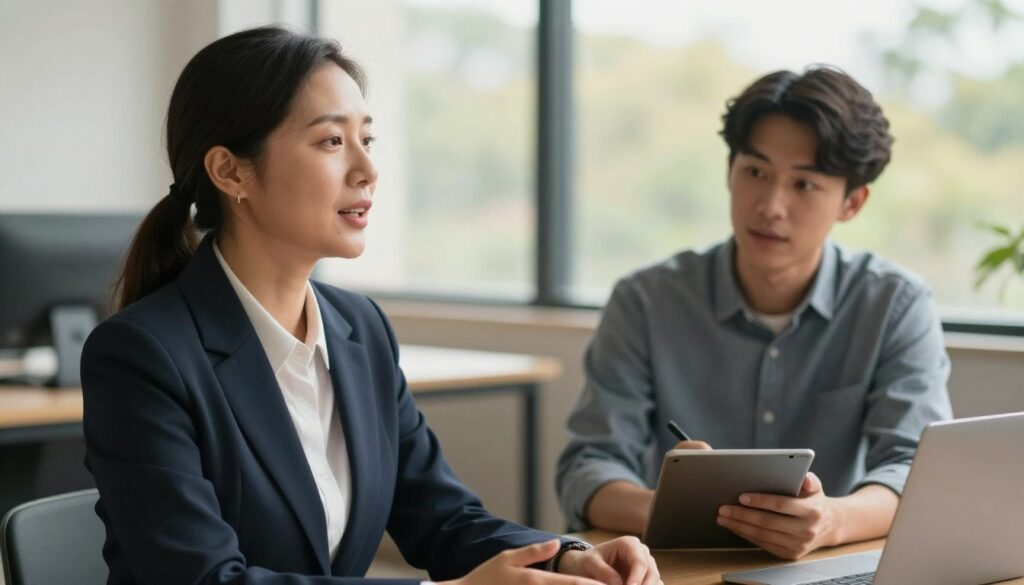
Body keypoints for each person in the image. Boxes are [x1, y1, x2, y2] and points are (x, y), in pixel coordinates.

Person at [81, 26, 660, 585]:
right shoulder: (142, 356)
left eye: (367, 138)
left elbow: (442, 518)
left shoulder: (359, 328)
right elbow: (205, 580)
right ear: (231, 171)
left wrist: (569, 555)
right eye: (332, 141)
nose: (367, 169)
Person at [556, 66, 952, 560]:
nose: (770, 206)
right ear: (729, 171)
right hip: (675, 566)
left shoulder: (895, 305)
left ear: (852, 202)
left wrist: (830, 520)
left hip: (824, 565)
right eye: (756, 172)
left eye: (804, 185)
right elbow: (588, 466)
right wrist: (672, 509)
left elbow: (914, 469)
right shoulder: (646, 300)